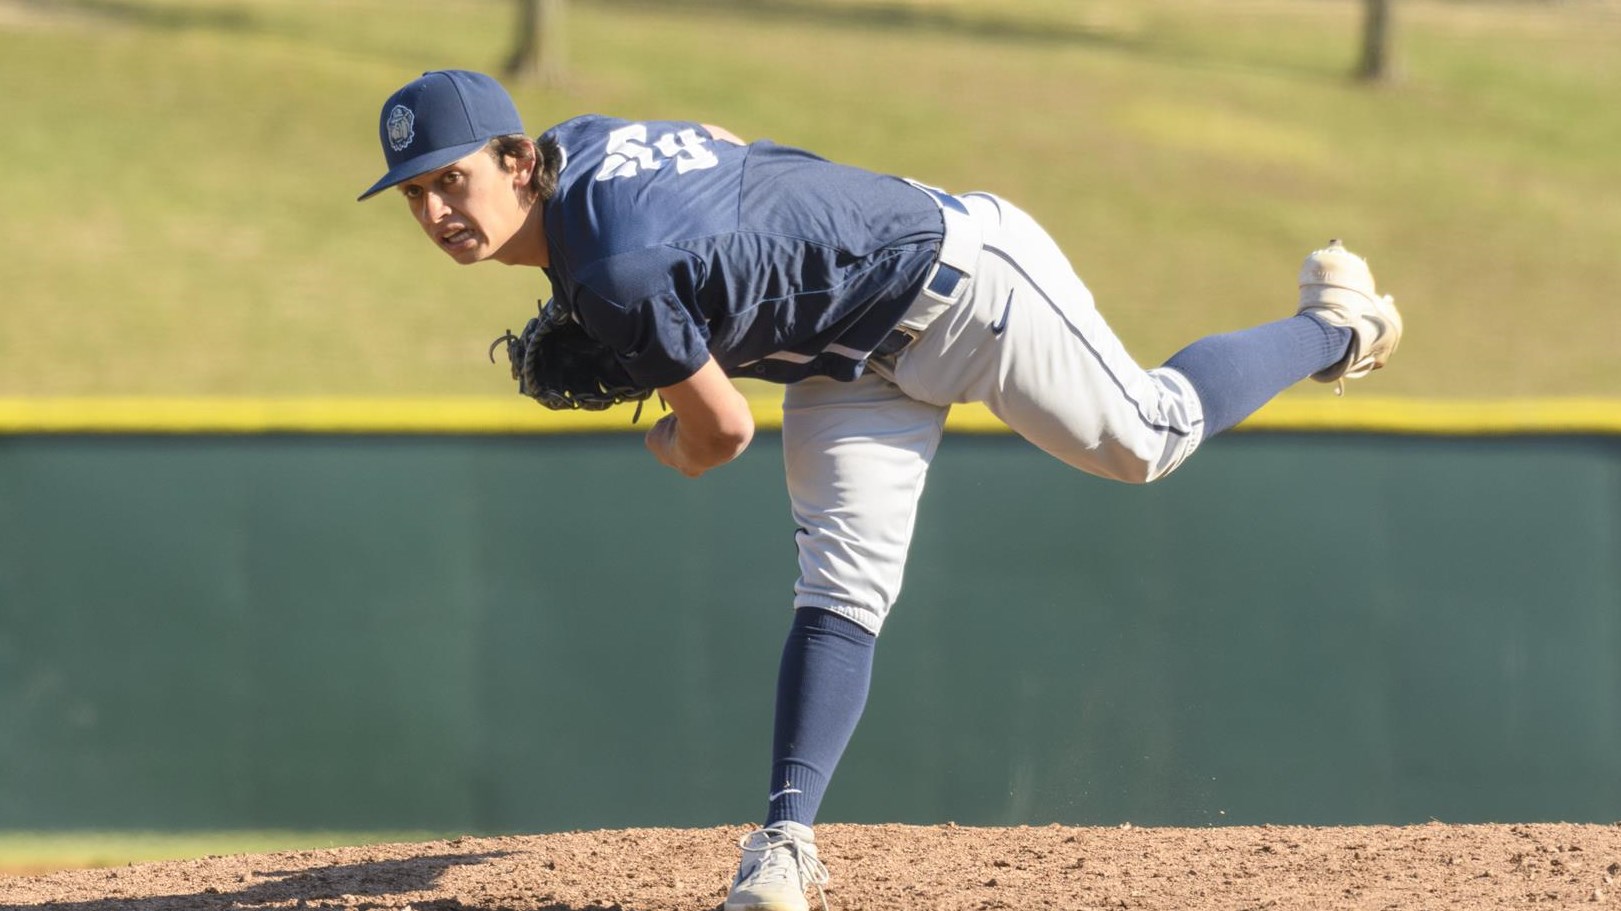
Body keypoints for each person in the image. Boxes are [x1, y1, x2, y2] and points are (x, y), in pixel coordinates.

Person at [360, 70, 1402, 911]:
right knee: (840, 590)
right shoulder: (587, 142)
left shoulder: (613, 273)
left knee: (1147, 435)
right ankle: (782, 845)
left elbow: (719, 430)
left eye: (452, 179)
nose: (437, 208)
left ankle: (1337, 326)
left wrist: (673, 449)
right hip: (844, 356)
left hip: (965, 279)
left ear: (515, 160)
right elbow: (718, 137)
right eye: (416, 193)